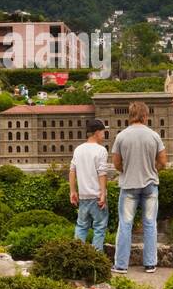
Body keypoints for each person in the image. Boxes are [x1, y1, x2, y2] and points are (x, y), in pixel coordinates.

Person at [111, 101, 166, 273]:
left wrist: (126, 171)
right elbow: (163, 162)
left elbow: (116, 163)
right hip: (150, 185)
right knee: (150, 224)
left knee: (125, 224)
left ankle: (121, 265)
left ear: (130, 115)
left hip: (128, 185)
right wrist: (152, 169)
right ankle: (150, 264)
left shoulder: (121, 136)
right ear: (145, 116)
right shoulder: (154, 136)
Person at [68, 119, 109, 252]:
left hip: (84, 196)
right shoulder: (101, 150)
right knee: (99, 228)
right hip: (96, 196)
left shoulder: (78, 149)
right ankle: (96, 258)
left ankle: (76, 255)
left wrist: (73, 191)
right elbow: (102, 173)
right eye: (103, 132)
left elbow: (72, 170)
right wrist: (103, 193)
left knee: (81, 226)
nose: (104, 135)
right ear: (97, 132)